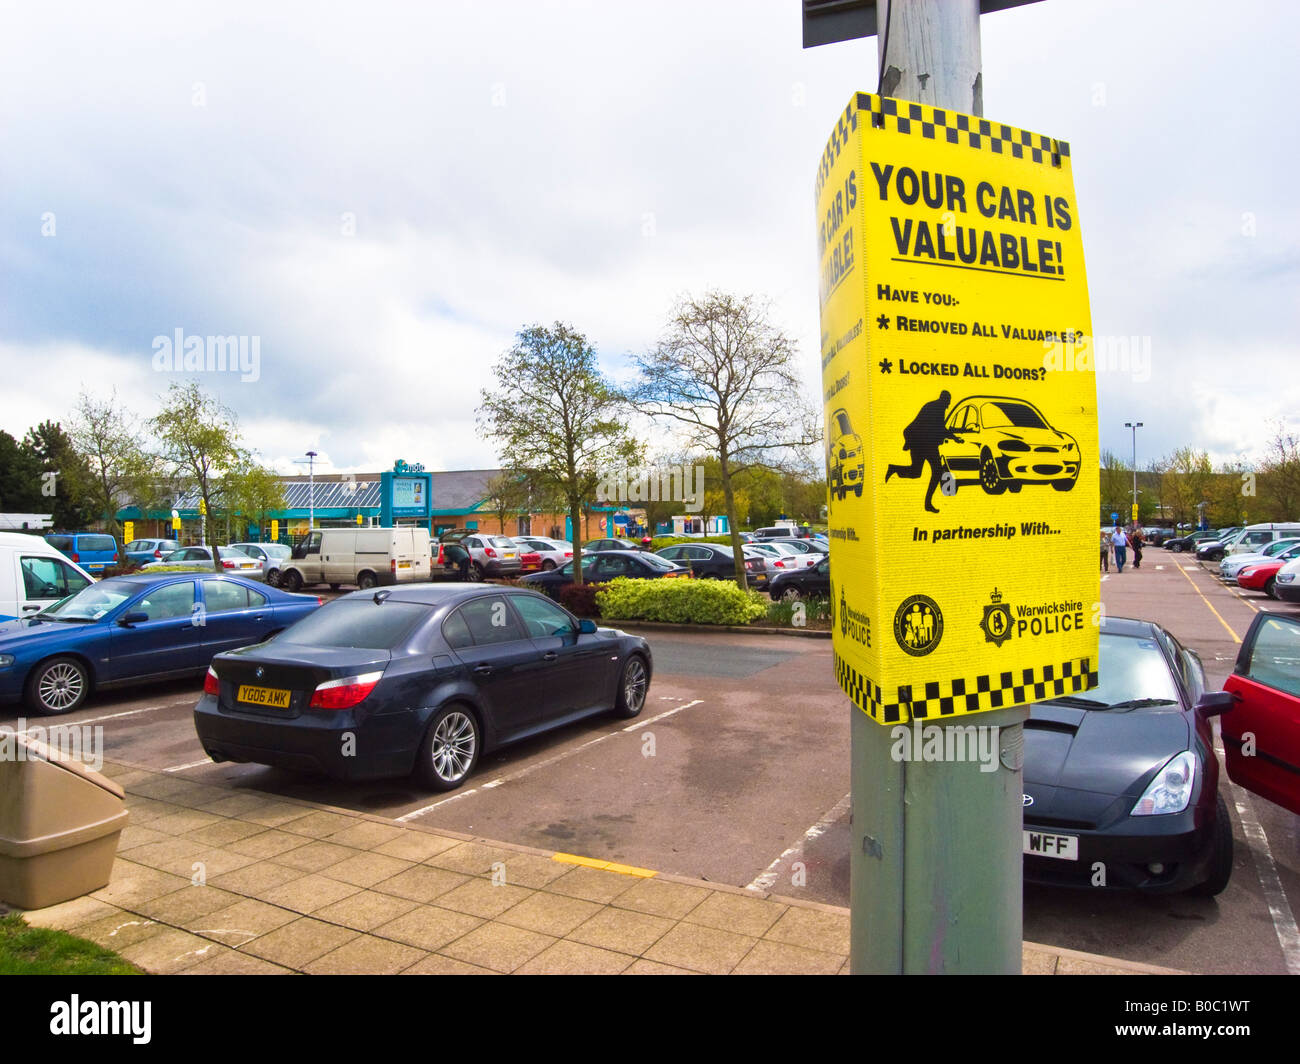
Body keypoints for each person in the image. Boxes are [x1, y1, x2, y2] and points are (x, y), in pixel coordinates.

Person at [885, 390, 965, 513]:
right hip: (925, 444)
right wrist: (955, 438)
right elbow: (940, 428)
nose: (949, 405)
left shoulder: (935, 406)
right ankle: (928, 504)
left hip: (921, 443)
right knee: (936, 472)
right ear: (944, 400)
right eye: (948, 402)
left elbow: (938, 428)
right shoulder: (938, 408)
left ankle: (894, 469)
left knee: (915, 472)